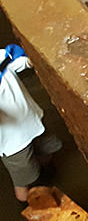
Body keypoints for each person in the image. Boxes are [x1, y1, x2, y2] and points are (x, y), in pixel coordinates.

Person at [1, 44, 61, 203]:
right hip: (13, 144)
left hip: (34, 121)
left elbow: (22, 61)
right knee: (23, 183)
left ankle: (49, 180)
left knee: (49, 150)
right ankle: (30, 206)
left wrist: (32, 58)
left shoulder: (1, 58)